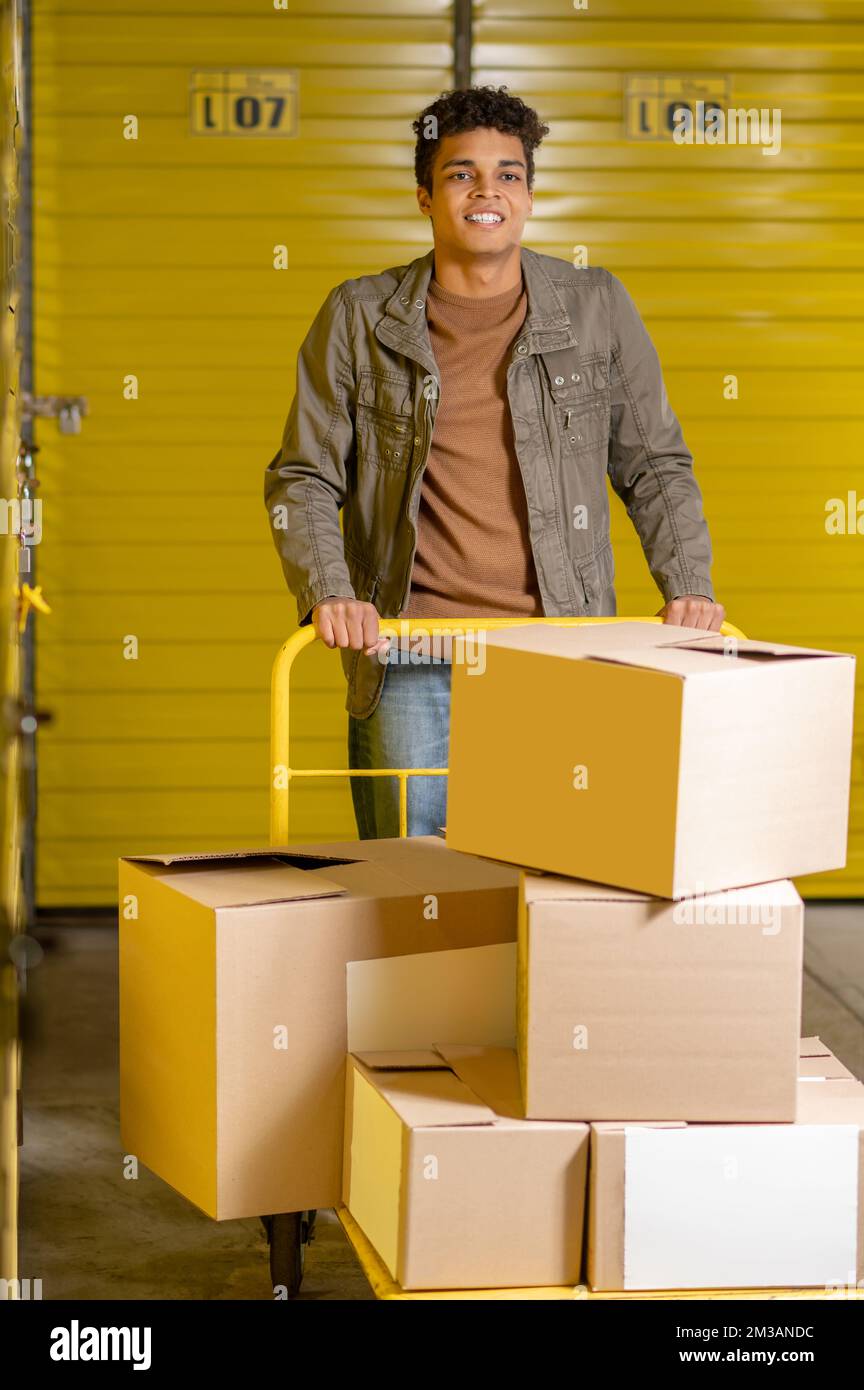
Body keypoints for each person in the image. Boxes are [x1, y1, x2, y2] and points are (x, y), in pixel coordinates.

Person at [264, 86, 724, 839]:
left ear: (531, 196)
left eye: (508, 174)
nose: (487, 192)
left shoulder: (596, 307)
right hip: (410, 655)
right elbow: (304, 475)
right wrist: (329, 593)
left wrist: (690, 588)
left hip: (556, 654)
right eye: (460, 174)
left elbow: (655, 464)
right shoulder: (357, 317)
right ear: (424, 195)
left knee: (558, 877)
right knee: (414, 895)